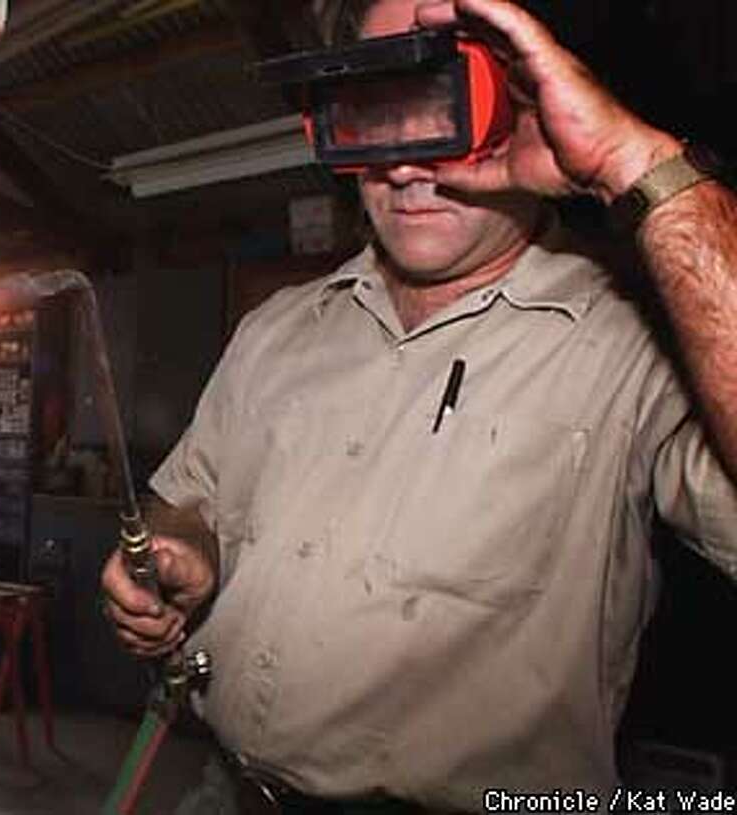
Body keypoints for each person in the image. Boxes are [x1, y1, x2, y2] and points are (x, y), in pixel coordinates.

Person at [101, 0, 737, 811]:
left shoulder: (635, 340)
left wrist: (636, 162)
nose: (407, 163)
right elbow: (187, 501)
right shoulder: (278, 326)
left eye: (445, 103)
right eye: (377, 105)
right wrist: (180, 550)